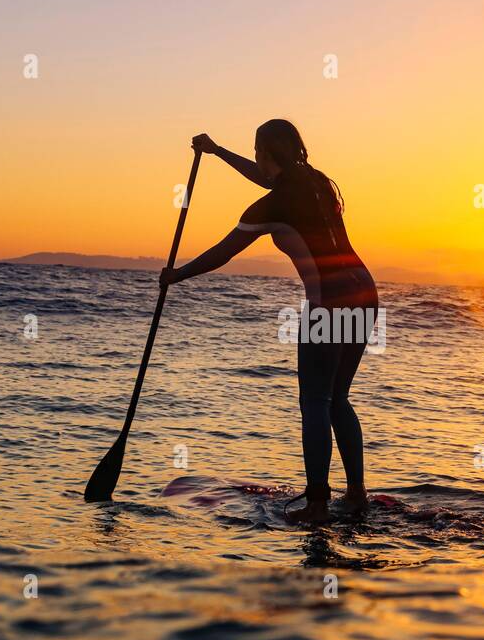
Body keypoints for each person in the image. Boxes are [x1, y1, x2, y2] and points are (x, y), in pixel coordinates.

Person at [160, 120, 378, 524]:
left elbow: (223, 253)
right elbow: (267, 179)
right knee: (338, 399)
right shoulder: (316, 182)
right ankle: (356, 495)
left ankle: (316, 504)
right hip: (364, 293)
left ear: (266, 153)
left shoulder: (271, 206)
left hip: (328, 301)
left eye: (256, 152)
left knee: (314, 400)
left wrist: (177, 275)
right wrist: (218, 151)